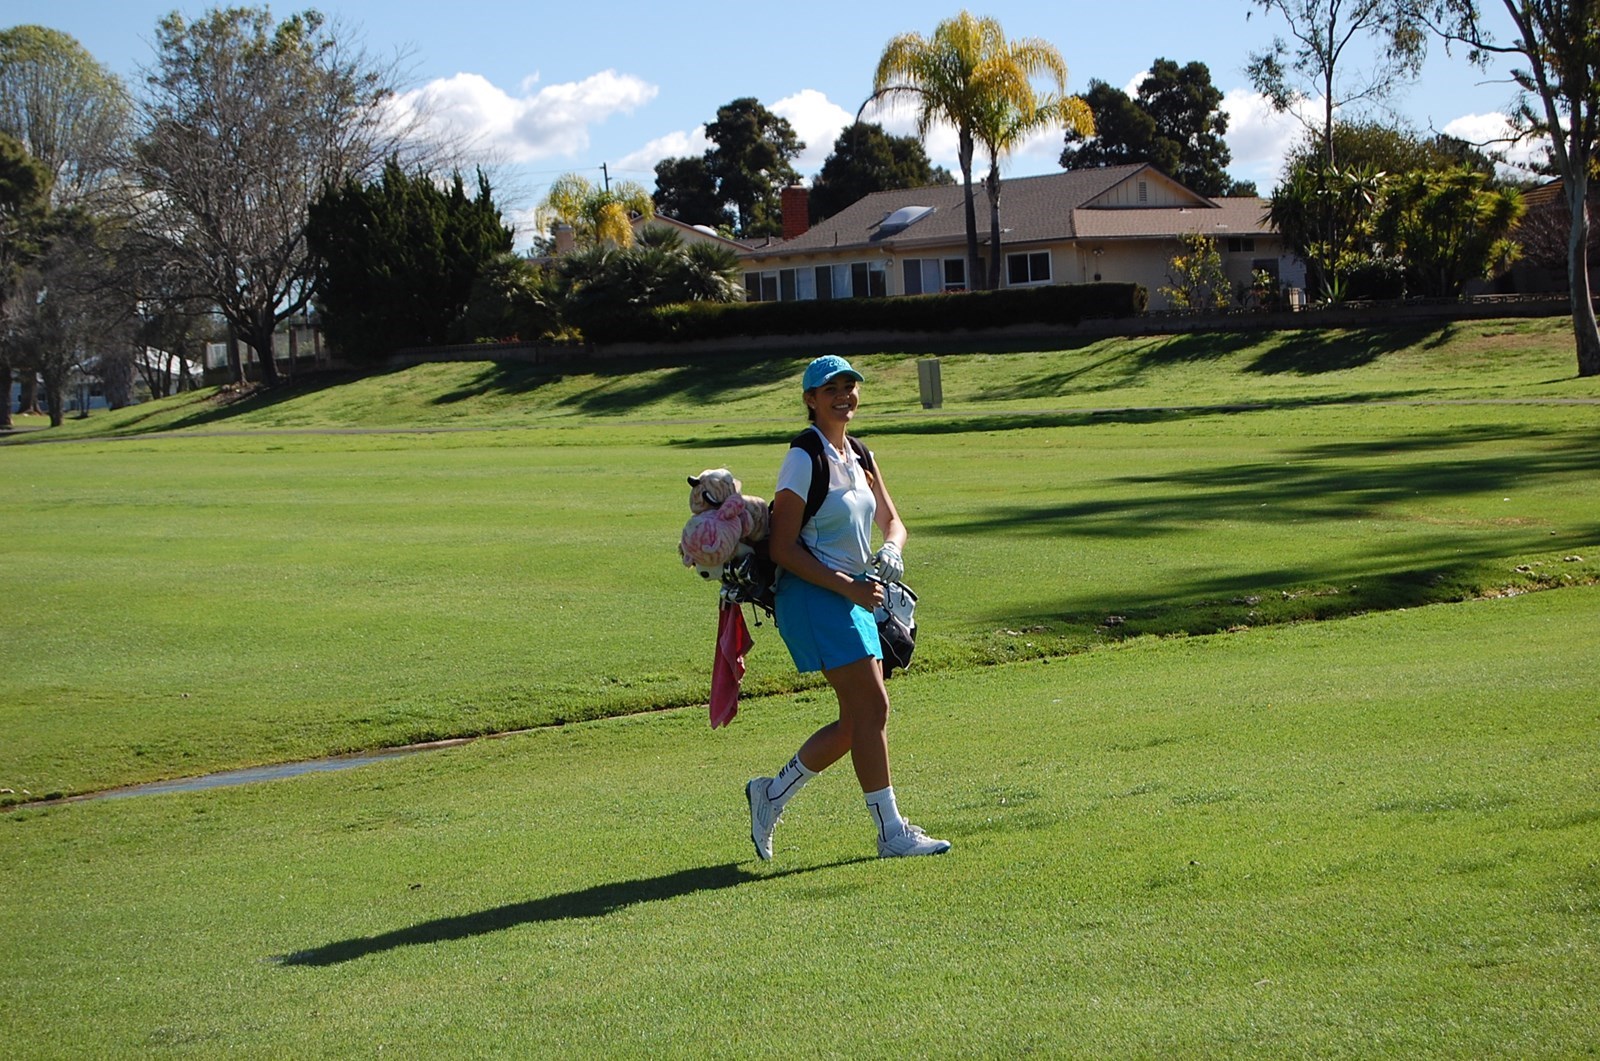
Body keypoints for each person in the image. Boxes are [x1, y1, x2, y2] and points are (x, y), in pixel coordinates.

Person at [745, 355, 951, 860]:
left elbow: (893, 521)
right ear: (810, 400)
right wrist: (849, 586)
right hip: (815, 595)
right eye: (830, 388)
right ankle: (891, 832)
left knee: (855, 722)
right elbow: (783, 548)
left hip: (857, 594)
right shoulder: (802, 457)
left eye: (850, 386)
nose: (844, 395)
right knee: (873, 709)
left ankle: (770, 794)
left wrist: (892, 550)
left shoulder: (860, 454)